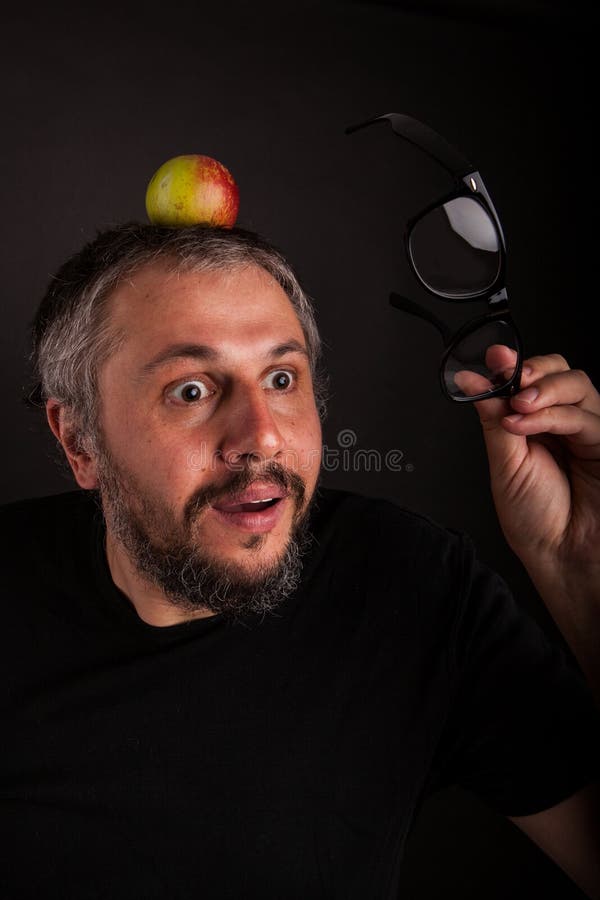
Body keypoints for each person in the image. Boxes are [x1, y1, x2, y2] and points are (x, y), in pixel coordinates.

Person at [2, 222, 599, 900]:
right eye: (191, 390)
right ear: (80, 441)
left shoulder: (408, 584)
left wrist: (576, 562)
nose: (262, 435)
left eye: (281, 377)